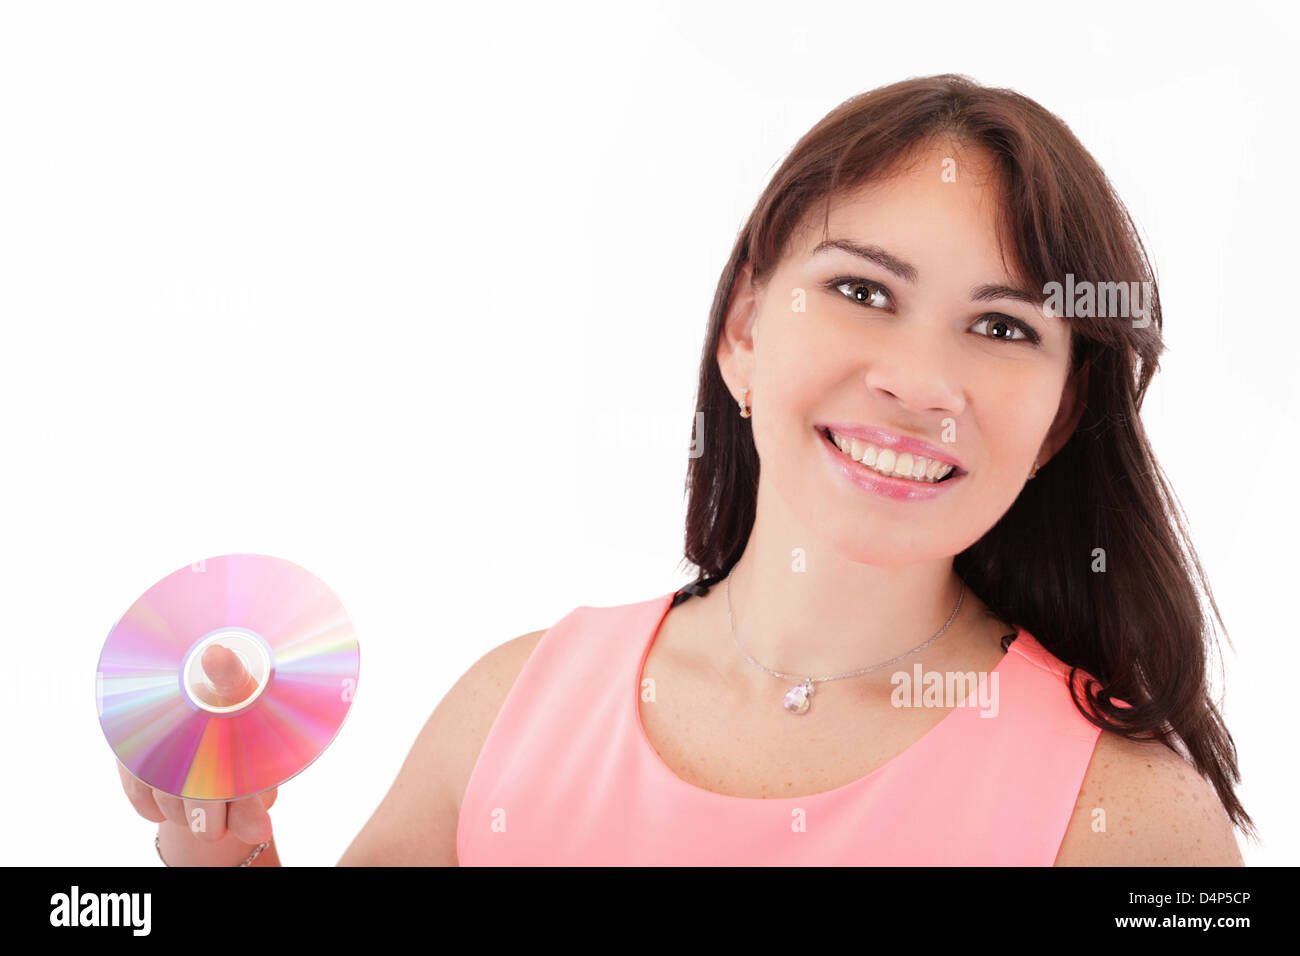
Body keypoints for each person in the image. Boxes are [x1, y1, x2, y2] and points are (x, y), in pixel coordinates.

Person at [118, 73, 1251, 865]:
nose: (919, 380)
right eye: (862, 291)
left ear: (1061, 414)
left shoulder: (1125, 810)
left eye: (1003, 328)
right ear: (745, 330)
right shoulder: (512, 706)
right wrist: (221, 844)